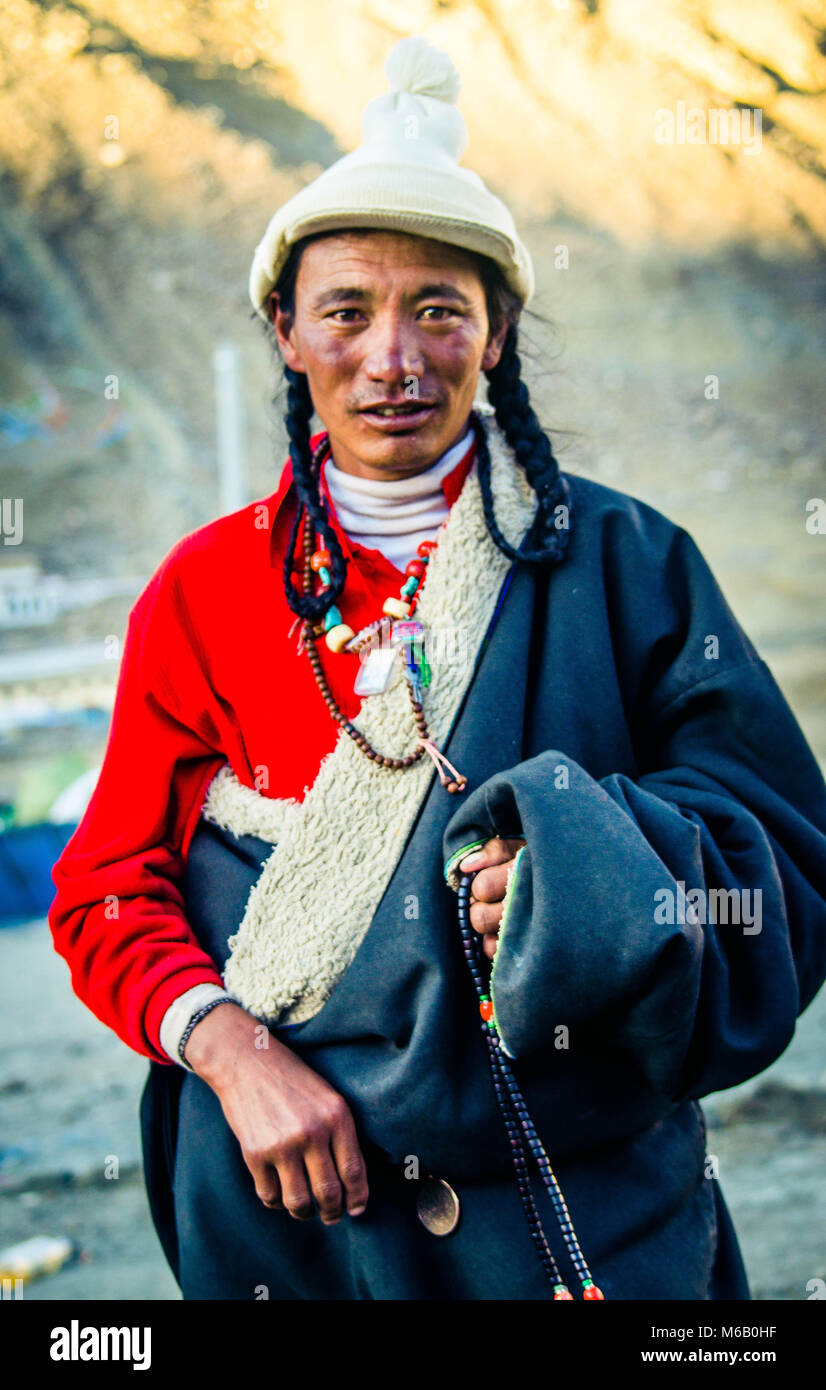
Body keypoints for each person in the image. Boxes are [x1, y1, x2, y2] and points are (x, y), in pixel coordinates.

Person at [49, 36, 826, 1301]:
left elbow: (784, 856)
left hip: (575, 1214)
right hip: (289, 1212)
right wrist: (236, 1055)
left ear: (497, 330)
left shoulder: (627, 562)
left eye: (439, 311)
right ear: (287, 332)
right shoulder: (204, 589)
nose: (392, 358)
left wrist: (584, 873)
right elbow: (104, 886)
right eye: (347, 311)